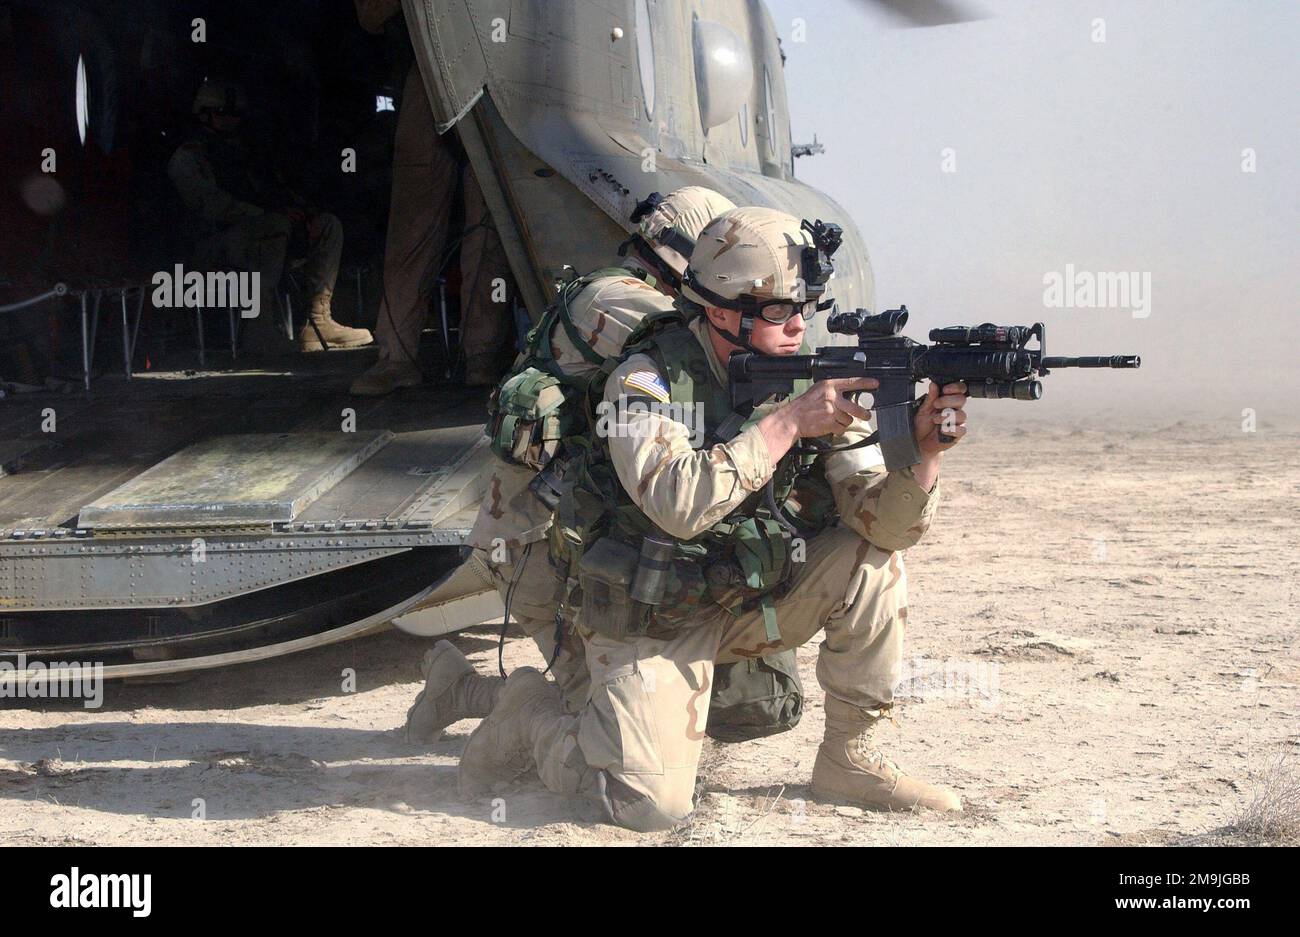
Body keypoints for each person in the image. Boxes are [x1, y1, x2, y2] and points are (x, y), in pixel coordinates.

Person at [454, 206, 971, 831]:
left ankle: (848, 758)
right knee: (646, 804)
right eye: (778, 310)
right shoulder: (646, 381)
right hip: (647, 615)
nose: (798, 325)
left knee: (870, 562)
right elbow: (678, 505)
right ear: (722, 311)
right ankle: (526, 715)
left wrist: (923, 455)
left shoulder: (806, 379)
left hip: (739, 597)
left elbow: (885, 528)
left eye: (806, 306)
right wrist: (787, 424)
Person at [404, 186, 737, 740]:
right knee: (603, 719)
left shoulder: (636, 295)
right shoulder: (621, 300)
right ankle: (460, 692)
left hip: (569, 532)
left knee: (609, 702)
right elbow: (702, 363)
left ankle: (457, 688)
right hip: (535, 538)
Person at [350, 0, 517, 395]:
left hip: (493, 57)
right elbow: (370, 15)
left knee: (489, 218)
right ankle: (396, 356)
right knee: (413, 219)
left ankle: (482, 353)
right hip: (431, 61)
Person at [167, 79, 372, 352]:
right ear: (204, 114)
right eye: (222, 112)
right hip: (210, 244)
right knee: (273, 226)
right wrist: (266, 214)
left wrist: (302, 211)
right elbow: (210, 205)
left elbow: (274, 187)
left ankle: (318, 321)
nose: (230, 119)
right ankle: (258, 328)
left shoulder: (247, 152)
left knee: (327, 225)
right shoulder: (189, 157)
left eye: (236, 114)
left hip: (260, 234)